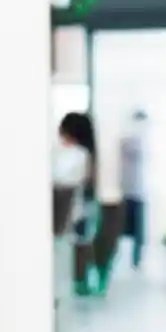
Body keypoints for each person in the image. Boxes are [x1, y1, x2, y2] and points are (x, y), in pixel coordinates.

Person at [54, 111, 97, 294]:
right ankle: (80, 281)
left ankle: (78, 281)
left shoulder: (74, 154)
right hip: (73, 208)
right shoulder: (83, 154)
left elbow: (63, 178)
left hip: (67, 206)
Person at [119, 109, 148, 269]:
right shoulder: (126, 141)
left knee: (138, 233)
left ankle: (136, 261)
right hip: (126, 192)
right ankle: (123, 261)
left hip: (139, 192)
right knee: (122, 230)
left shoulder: (146, 142)